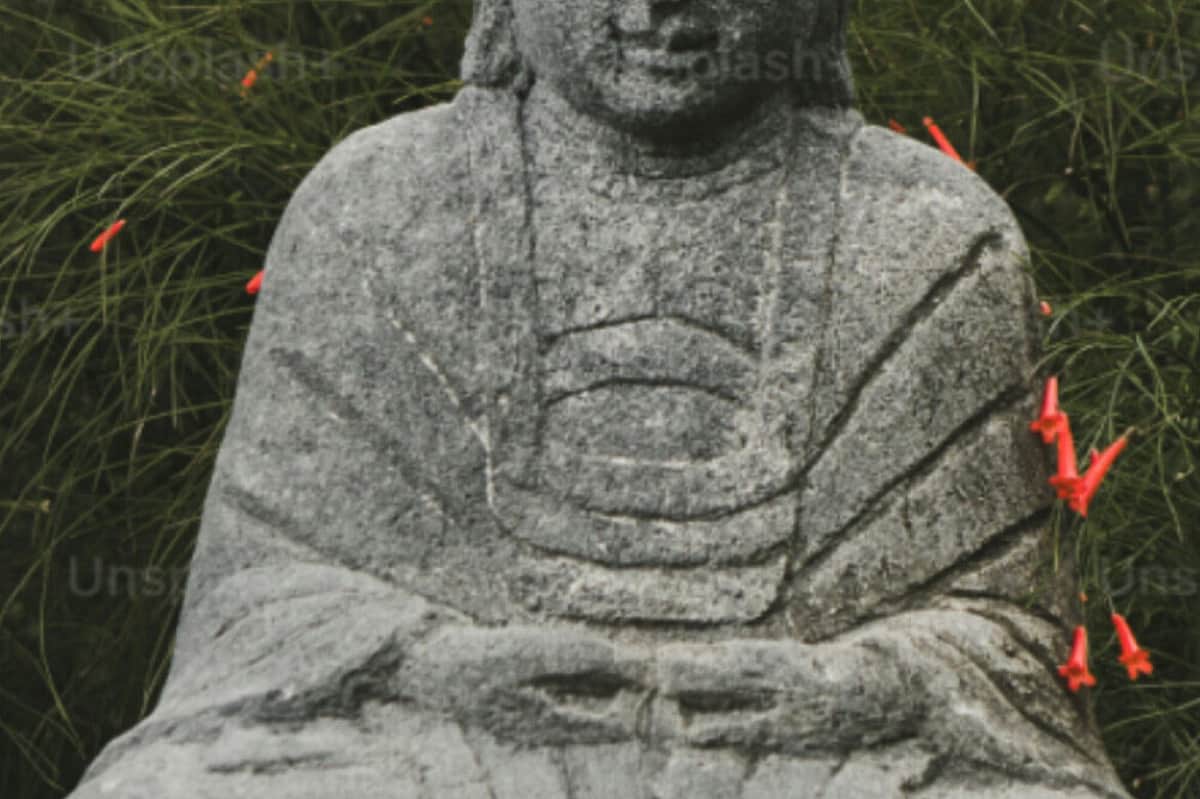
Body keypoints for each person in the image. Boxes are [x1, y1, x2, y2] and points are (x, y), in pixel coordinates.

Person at [71, 1, 1131, 795]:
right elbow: (259, 599)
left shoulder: (934, 235)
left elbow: (999, 631)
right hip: (430, 736)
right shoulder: (376, 205)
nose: (661, 8)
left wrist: (861, 688)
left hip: (814, 756)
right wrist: (437, 661)